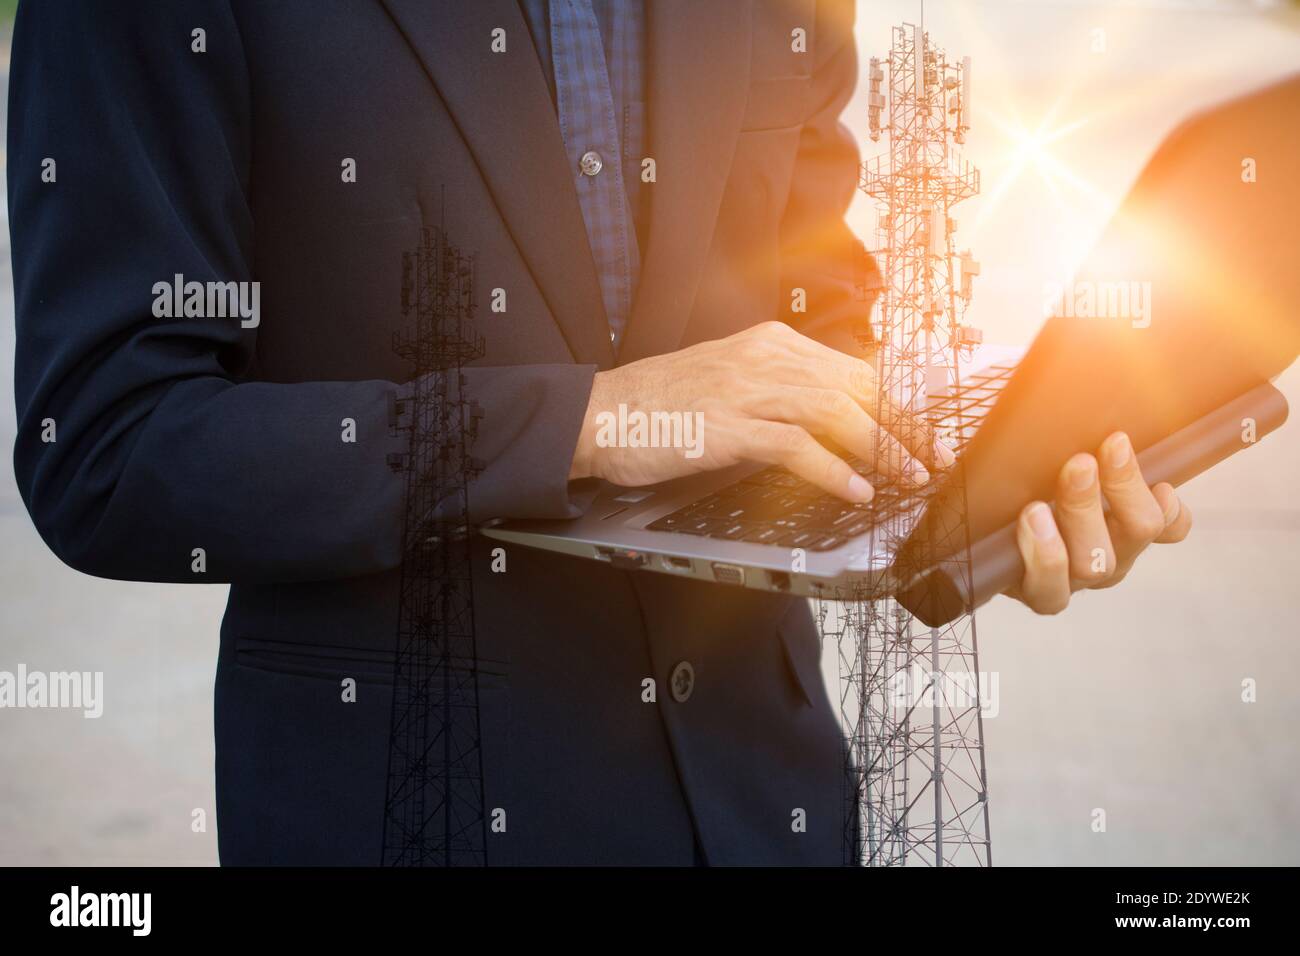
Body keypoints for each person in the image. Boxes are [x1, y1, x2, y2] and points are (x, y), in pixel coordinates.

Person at [7, 0, 1189, 865]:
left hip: (764, 795)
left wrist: (963, 509)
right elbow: (109, 444)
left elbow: (812, 327)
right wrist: (587, 419)